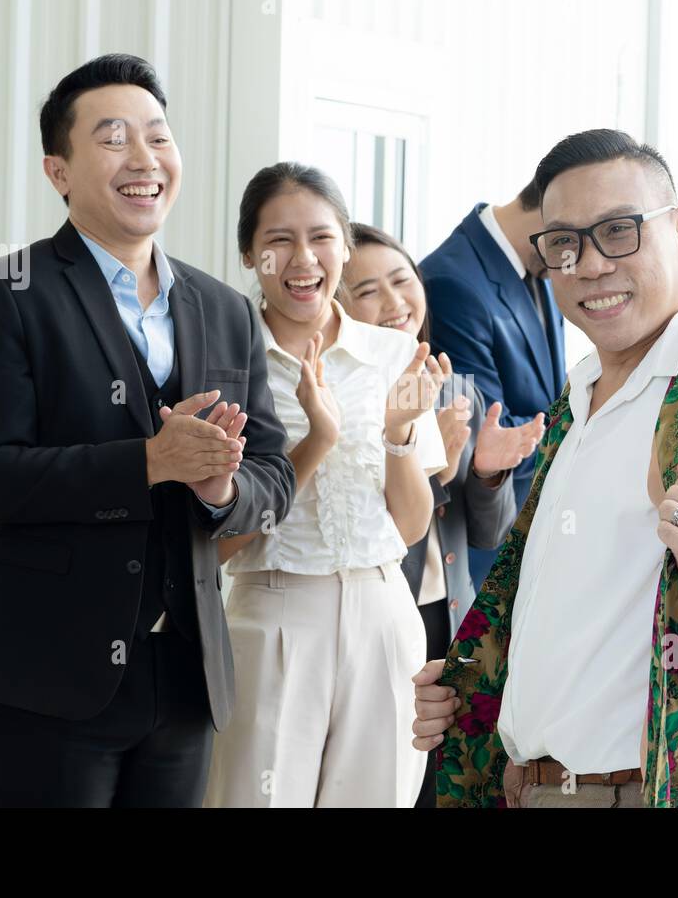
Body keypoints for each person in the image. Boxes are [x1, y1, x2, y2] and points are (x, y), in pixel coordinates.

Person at [411, 129, 678, 808]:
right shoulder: (580, 390)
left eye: (619, 231)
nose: (591, 264)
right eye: (564, 242)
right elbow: (550, 596)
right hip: (523, 784)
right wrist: (470, 683)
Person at [0, 54, 295, 807]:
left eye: (159, 137)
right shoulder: (5, 294)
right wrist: (146, 463)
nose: (144, 159)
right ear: (57, 170)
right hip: (48, 672)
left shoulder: (226, 309)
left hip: (187, 675)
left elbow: (275, 475)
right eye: (113, 138)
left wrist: (222, 485)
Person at [203, 164, 447, 808]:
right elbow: (212, 542)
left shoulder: (394, 354)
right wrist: (316, 442)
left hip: (382, 611)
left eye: (321, 237)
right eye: (278, 240)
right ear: (250, 254)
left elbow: (411, 526)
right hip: (271, 613)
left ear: (344, 243)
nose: (302, 259)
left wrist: (398, 431)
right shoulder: (221, 361)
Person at [340, 222, 541, 807]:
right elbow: (353, 523)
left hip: (447, 613)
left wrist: (485, 472)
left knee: (441, 781)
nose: (395, 302)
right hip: (376, 612)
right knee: (380, 777)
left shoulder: (460, 388)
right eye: (368, 289)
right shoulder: (341, 395)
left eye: (402, 280)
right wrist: (432, 465)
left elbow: (488, 531)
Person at [420, 181, 567, 591]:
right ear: (547, 213)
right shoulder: (453, 282)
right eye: (570, 236)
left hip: (536, 536)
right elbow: (485, 432)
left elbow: (549, 395)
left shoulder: (543, 263)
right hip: (485, 550)